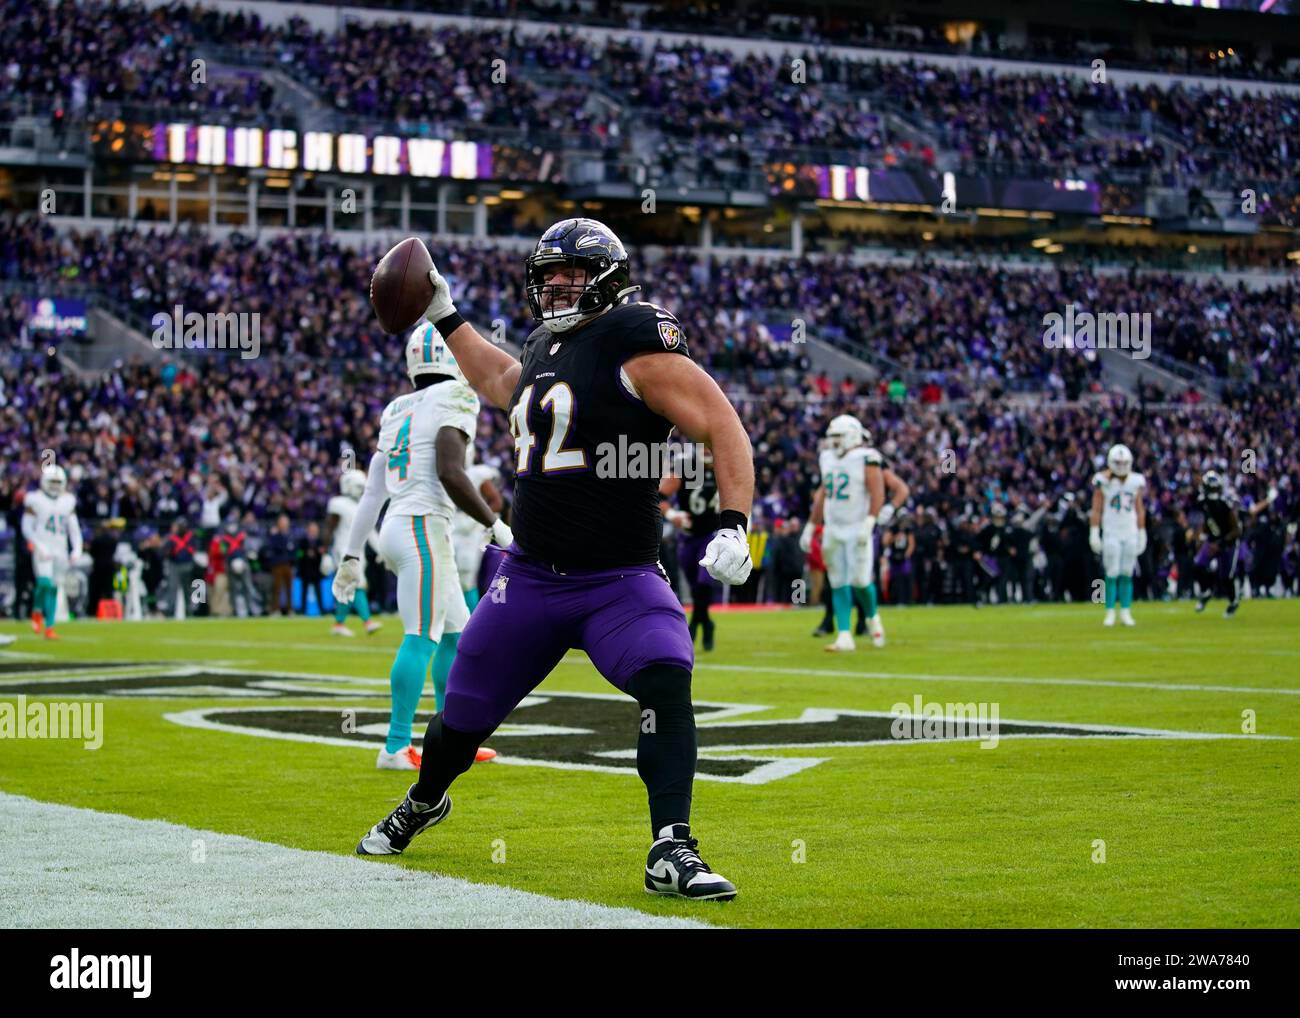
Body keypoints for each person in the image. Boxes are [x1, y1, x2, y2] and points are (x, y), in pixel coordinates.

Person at [355, 218, 754, 901]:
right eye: (547, 276)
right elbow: (503, 378)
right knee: (461, 718)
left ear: (606, 276)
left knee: (666, 680)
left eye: (570, 274)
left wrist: (734, 523)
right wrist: (446, 315)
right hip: (531, 579)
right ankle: (423, 802)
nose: (555, 286)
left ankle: (671, 847)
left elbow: (721, 423)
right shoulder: (544, 343)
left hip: (619, 579)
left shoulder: (636, 336)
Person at [334, 324, 506, 771]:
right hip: (422, 527)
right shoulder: (457, 397)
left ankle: (451, 741)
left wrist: (352, 555)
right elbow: (451, 471)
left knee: (458, 636)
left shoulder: (397, 409)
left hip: (399, 525)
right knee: (422, 635)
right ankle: (394, 746)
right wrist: (495, 523)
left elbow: (374, 491)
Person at [660, 444, 722, 649]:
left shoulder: (724, 464)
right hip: (688, 536)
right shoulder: (686, 465)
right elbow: (659, 497)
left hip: (712, 534)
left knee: (705, 580)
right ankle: (706, 621)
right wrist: (672, 515)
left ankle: (695, 623)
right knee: (696, 585)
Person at [1089, 443, 1147, 626]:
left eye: (1124, 463)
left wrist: (1142, 531)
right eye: (1118, 463)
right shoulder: (1102, 481)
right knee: (1111, 572)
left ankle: (1126, 611)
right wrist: (1094, 532)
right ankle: (1109, 611)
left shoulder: (1135, 481)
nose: (1121, 466)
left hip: (1129, 530)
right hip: (1112, 531)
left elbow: (1139, 509)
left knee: (1127, 572)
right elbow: (1096, 509)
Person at [22, 465, 82, 639]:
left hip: (60, 548)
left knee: (54, 587)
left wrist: (76, 548)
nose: (55, 485)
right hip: (43, 545)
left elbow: (74, 529)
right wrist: (38, 545)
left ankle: (49, 627)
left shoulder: (68, 501)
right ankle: (36, 610)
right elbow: (27, 527)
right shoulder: (35, 499)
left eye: (58, 482)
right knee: (44, 582)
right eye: (52, 481)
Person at [324, 470, 382, 636]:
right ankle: (367, 621)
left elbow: (370, 532)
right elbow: (329, 528)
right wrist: (325, 553)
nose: (362, 490)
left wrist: (381, 550)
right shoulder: (338, 504)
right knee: (357, 583)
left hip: (359, 552)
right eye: (359, 486)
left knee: (350, 586)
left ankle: (338, 624)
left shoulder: (362, 505)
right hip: (343, 550)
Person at [1191, 470, 1247, 618]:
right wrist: (1201, 536)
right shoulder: (1203, 501)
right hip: (1212, 539)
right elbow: (1207, 521)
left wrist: (1221, 544)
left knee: (1226, 577)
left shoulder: (1225, 503)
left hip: (1228, 542)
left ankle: (1233, 602)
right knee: (1198, 565)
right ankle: (1206, 591)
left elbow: (1236, 530)